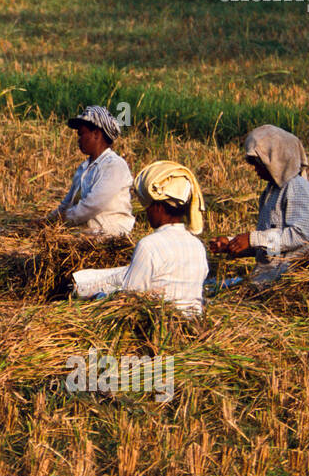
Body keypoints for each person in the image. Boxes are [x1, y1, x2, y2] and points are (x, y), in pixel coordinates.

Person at [72, 161, 209, 317]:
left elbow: (130, 297)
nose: (146, 212)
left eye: (147, 207)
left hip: (156, 324)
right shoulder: (197, 246)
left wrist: (99, 297)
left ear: (158, 207)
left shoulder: (149, 245)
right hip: (191, 326)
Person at [209, 124, 309, 283]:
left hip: (290, 279)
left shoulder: (301, 189)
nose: (255, 170)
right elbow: (274, 247)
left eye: (258, 164)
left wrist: (252, 239)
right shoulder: (271, 192)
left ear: (275, 160)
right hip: (268, 277)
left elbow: (300, 236)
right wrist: (233, 244)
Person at [44, 105, 134, 237]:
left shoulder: (115, 166)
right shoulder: (84, 168)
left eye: (81, 134)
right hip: (86, 233)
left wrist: (61, 220)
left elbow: (91, 206)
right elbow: (67, 203)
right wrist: (48, 220)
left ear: (96, 134)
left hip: (109, 234)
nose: (79, 140)